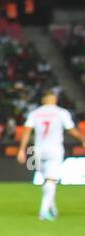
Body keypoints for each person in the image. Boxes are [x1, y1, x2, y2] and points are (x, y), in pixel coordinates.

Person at [16, 91, 80, 220]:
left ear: (43, 100)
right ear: (54, 99)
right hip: (54, 150)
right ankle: (43, 212)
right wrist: (82, 139)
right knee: (51, 181)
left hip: (37, 150)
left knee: (47, 181)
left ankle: (53, 209)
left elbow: (27, 131)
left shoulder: (35, 113)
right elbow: (71, 130)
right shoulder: (61, 112)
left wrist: (22, 150)